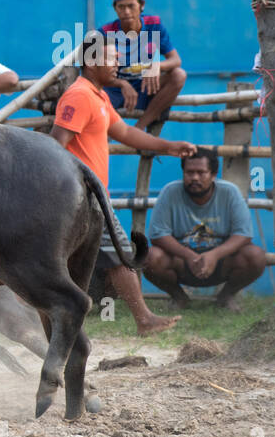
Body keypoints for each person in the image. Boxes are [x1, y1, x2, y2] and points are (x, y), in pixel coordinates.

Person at [49, 32, 195, 335]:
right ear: (92, 62)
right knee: (118, 251)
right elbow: (55, 145)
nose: (118, 64)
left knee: (87, 257)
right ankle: (143, 319)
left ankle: (60, 318)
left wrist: (167, 146)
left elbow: (126, 134)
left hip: (89, 193)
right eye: (112, 58)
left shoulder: (98, 96)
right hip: (84, 194)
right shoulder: (79, 95)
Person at [143, 149, 265, 312]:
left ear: (213, 174)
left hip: (221, 262)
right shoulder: (170, 191)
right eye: (189, 172)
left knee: (255, 256)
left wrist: (214, 255)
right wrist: (189, 255)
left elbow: (243, 234)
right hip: (181, 262)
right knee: (149, 257)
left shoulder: (229, 192)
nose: (194, 177)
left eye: (201, 173)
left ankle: (226, 296)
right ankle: (179, 297)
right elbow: (157, 235)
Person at [98, 0, 186, 129]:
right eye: (121, 7)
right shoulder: (105, 32)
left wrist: (156, 66)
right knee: (95, 98)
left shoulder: (154, 25)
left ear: (141, 5)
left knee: (178, 75)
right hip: (114, 91)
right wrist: (122, 83)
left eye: (131, 6)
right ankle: (104, 138)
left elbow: (176, 60)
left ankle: (140, 127)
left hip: (146, 87)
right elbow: (93, 73)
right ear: (115, 9)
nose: (126, 12)